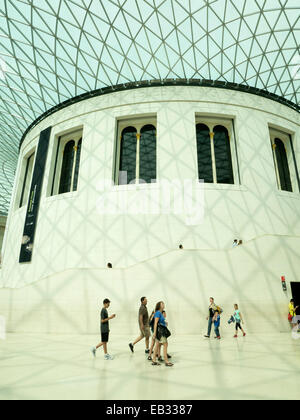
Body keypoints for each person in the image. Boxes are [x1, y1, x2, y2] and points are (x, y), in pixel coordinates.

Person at [152, 301, 173, 367]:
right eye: (162, 304)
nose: (163, 305)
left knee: (157, 345)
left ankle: (154, 360)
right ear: (159, 306)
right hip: (160, 331)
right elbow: (155, 323)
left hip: (160, 330)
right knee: (165, 344)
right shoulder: (158, 313)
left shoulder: (160, 313)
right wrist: (154, 333)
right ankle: (166, 361)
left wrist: (164, 322)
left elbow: (160, 321)